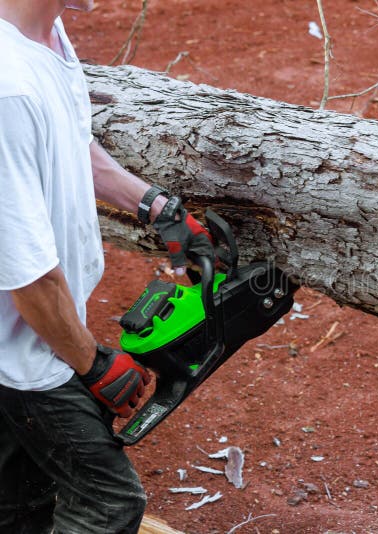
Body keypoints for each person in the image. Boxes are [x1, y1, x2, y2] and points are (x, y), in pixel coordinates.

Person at [0, 0, 213, 532]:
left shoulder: (47, 36)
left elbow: (74, 143)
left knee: (20, 502)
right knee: (108, 502)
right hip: (20, 352)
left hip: (33, 333)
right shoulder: (8, 90)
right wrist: (94, 365)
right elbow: (28, 279)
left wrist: (156, 208)